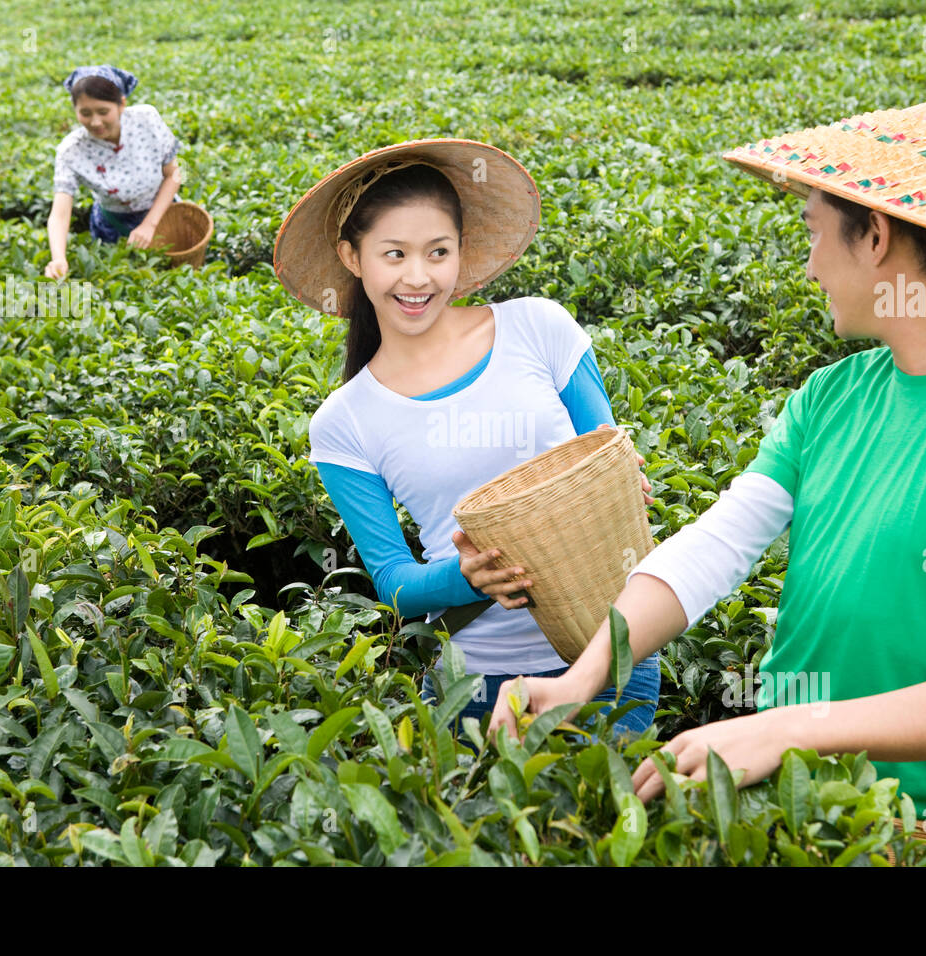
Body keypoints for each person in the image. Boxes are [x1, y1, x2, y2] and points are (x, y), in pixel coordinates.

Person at [490, 99, 926, 837]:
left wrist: (784, 729)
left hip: (916, 830)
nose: (809, 267)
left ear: (874, 236)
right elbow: (717, 546)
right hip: (787, 805)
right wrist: (581, 678)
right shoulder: (834, 396)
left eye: (813, 234)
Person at [272, 139, 661, 735]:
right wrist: (467, 576)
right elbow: (397, 586)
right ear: (353, 258)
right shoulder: (344, 421)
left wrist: (625, 484)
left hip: (611, 656)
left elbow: (607, 457)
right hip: (479, 685)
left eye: (438, 252)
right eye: (394, 254)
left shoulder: (540, 328)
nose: (418, 277)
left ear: (462, 251)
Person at [44, 65, 182, 279]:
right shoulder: (71, 150)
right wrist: (58, 258)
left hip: (164, 214)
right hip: (113, 227)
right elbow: (60, 214)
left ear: (121, 104)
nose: (95, 122)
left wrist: (149, 224)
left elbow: (173, 174)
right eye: (85, 113)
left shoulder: (146, 119)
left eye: (103, 111)